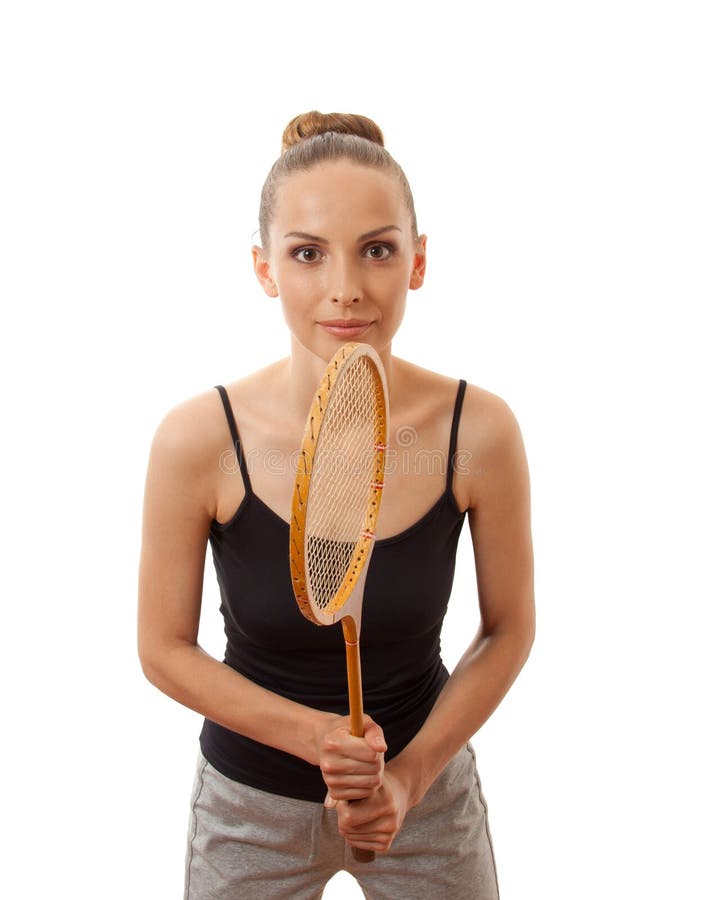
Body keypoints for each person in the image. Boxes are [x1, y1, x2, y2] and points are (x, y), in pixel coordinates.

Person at [138, 110, 535, 900]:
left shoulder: (476, 430)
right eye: (307, 254)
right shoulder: (196, 437)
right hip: (249, 806)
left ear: (417, 262)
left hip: (424, 801)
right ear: (263, 268)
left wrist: (409, 777)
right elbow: (162, 649)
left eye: (378, 250)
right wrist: (319, 738)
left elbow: (508, 628)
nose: (345, 289)